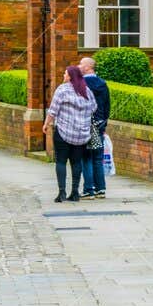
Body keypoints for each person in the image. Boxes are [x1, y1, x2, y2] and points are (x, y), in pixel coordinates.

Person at [42, 65, 97, 204]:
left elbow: (53, 110)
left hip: (63, 131)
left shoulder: (62, 90)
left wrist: (46, 124)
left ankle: (61, 193)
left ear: (71, 76)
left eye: (65, 74)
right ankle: (75, 192)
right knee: (76, 162)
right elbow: (94, 107)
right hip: (81, 134)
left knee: (61, 161)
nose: (64, 76)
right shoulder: (86, 90)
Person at [79, 55, 111, 199]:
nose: (79, 66)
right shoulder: (103, 84)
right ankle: (101, 189)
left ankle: (88, 189)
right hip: (99, 125)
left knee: (86, 158)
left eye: (81, 64)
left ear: (87, 67)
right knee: (97, 158)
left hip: (85, 125)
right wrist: (103, 124)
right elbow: (107, 106)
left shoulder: (81, 84)